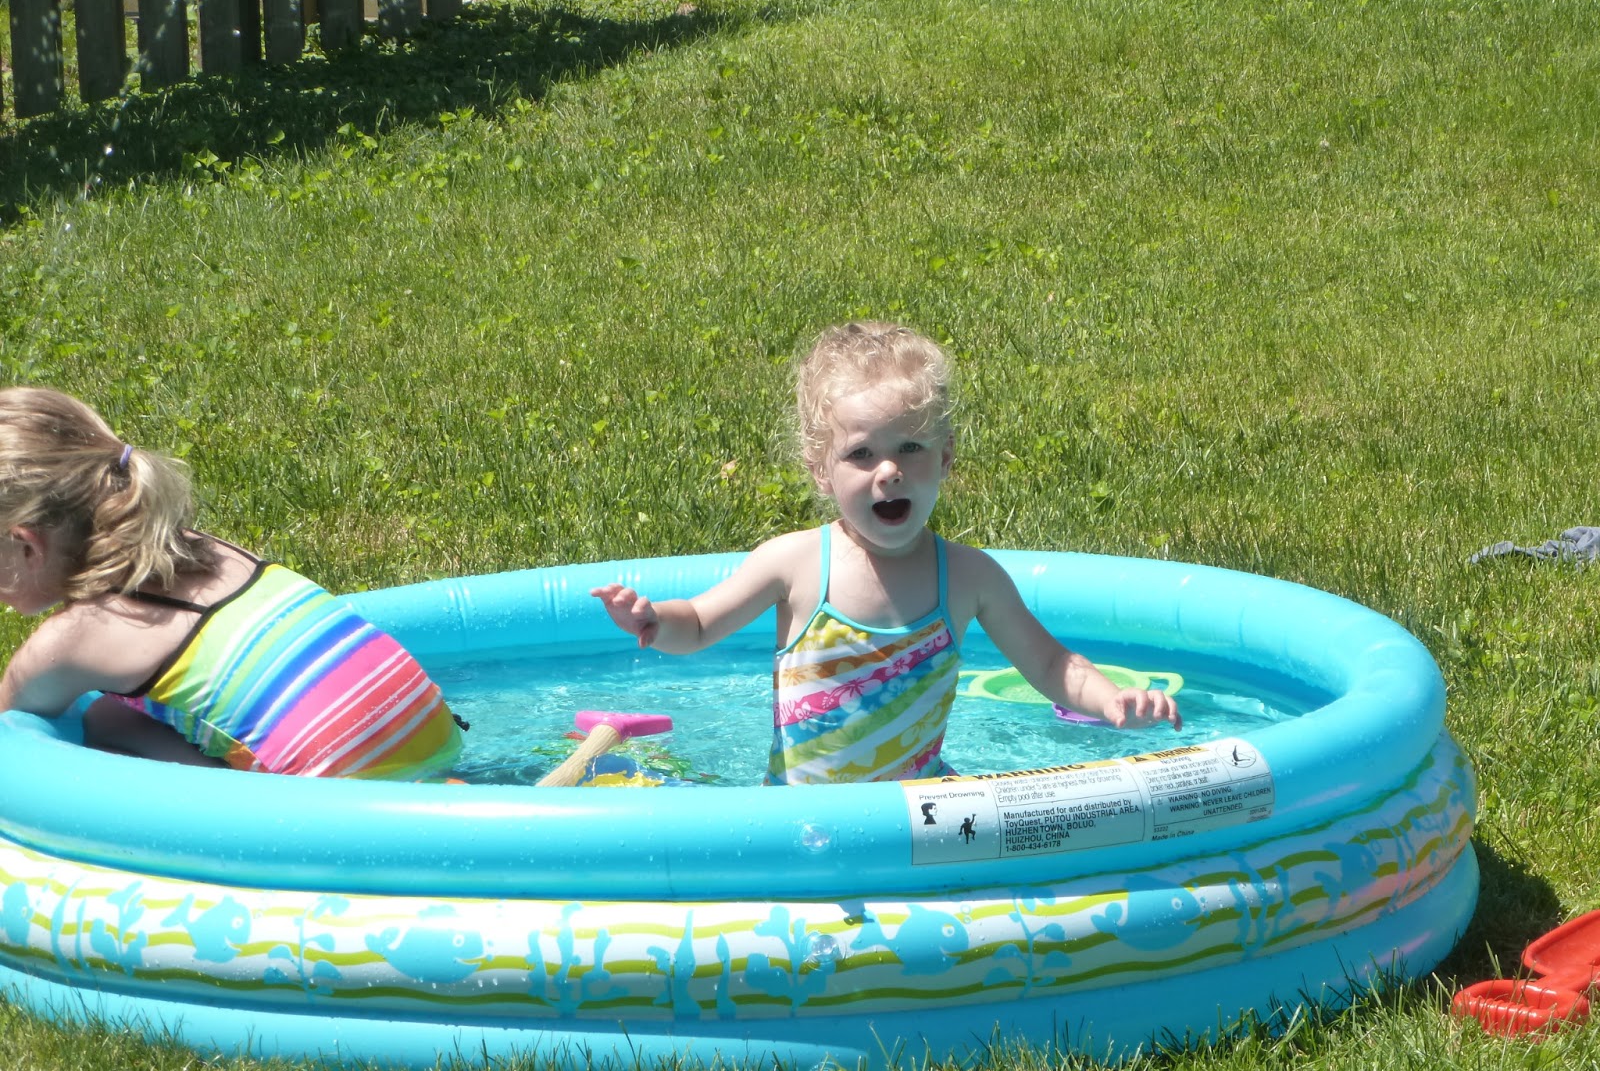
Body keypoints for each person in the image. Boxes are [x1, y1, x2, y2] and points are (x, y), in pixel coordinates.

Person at [592, 321, 1181, 785]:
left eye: (910, 447)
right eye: (861, 454)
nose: (889, 471)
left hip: (922, 813)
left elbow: (1051, 666)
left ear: (945, 458)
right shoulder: (794, 565)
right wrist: (651, 621)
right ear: (820, 471)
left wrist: (1111, 699)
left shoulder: (969, 578)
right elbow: (696, 624)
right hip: (803, 818)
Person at [0, 387, 463, 778]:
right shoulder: (204, 548)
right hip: (438, 744)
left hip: (340, 807)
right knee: (116, 711)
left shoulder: (67, 644)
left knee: (104, 726)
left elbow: (11, 738)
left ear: (27, 545)